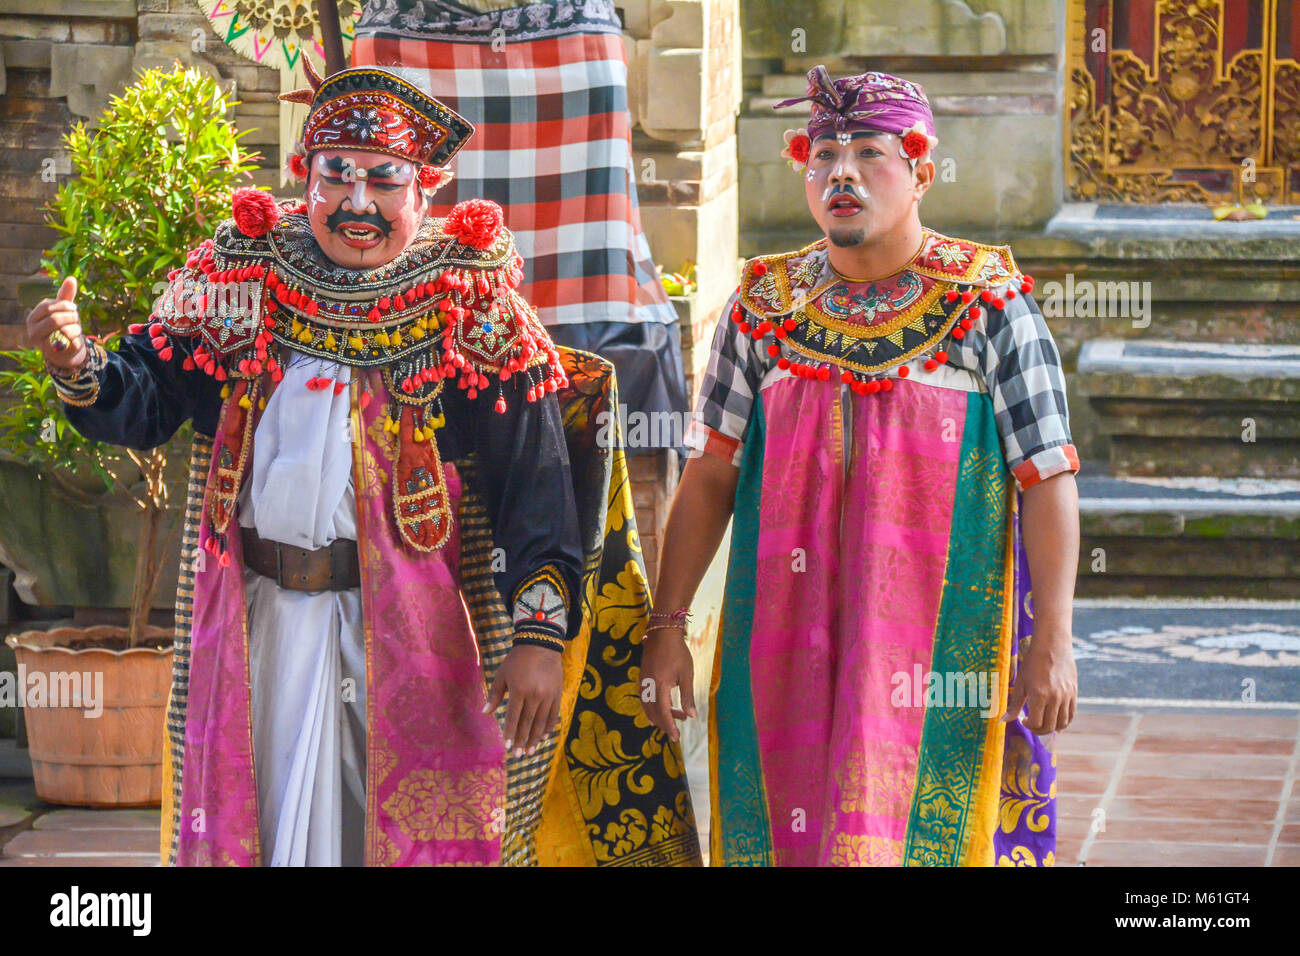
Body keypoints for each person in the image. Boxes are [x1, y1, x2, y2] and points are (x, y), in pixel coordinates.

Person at [27, 62, 700, 867]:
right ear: (301, 178)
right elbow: (145, 396)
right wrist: (77, 361)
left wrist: (539, 638)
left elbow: (537, 485)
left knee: (415, 841)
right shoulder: (241, 275)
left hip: (425, 640)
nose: (357, 203)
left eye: (384, 180)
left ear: (425, 189)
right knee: (266, 835)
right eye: (335, 176)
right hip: (257, 620)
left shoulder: (467, 299)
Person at [641, 67, 1079, 867]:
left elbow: (1046, 476)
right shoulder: (762, 308)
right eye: (823, 155)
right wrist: (668, 626)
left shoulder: (989, 307)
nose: (840, 173)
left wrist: (1053, 637)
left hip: (942, 654)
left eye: (869, 153)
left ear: (920, 172)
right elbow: (710, 475)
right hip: (778, 642)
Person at [350, 0, 689, 451]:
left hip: (572, 39)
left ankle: (576, 398)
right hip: (406, 38)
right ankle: (420, 350)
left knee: (597, 247)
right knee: (407, 212)